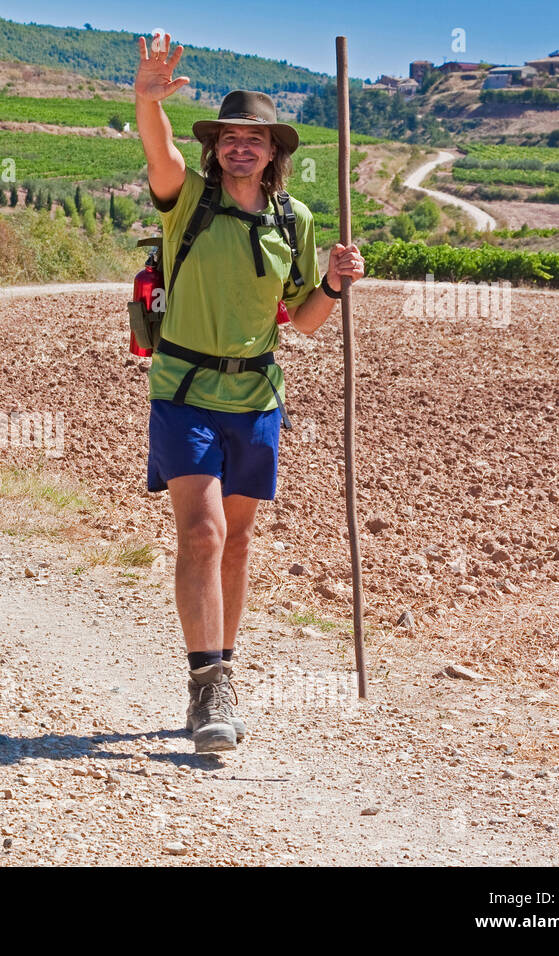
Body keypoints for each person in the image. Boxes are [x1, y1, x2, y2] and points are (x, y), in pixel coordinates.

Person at [134, 34, 365, 753]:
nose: (241, 147)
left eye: (254, 139)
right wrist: (147, 99)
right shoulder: (187, 199)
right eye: (230, 137)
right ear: (216, 149)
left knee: (235, 547)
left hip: (258, 397)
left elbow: (305, 322)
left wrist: (332, 282)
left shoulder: (292, 220)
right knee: (200, 534)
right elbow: (159, 151)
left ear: (273, 152)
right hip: (184, 390)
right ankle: (208, 690)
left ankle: (222, 675)